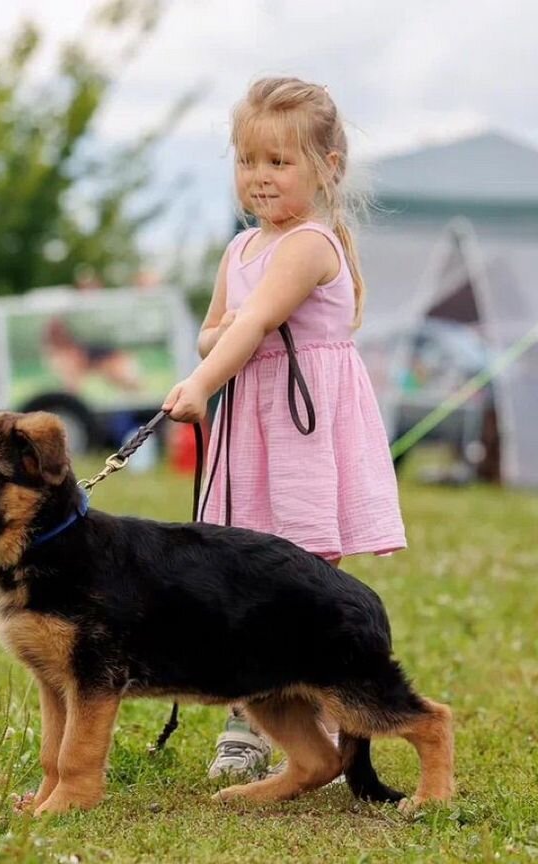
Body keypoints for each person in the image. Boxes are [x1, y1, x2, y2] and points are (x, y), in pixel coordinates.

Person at [162, 77, 406, 781]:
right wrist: (223, 346)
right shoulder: (239, 251)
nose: (260, 178)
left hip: (301, 431)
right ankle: (257, 715)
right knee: (236, 571)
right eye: (248, 161)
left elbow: (252, 324)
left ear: (328, 166)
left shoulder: (309, 244)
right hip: (251, 431)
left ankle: (308, 712)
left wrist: (205, 380)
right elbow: (218, 328)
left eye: (279, 162)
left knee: (296, 575)